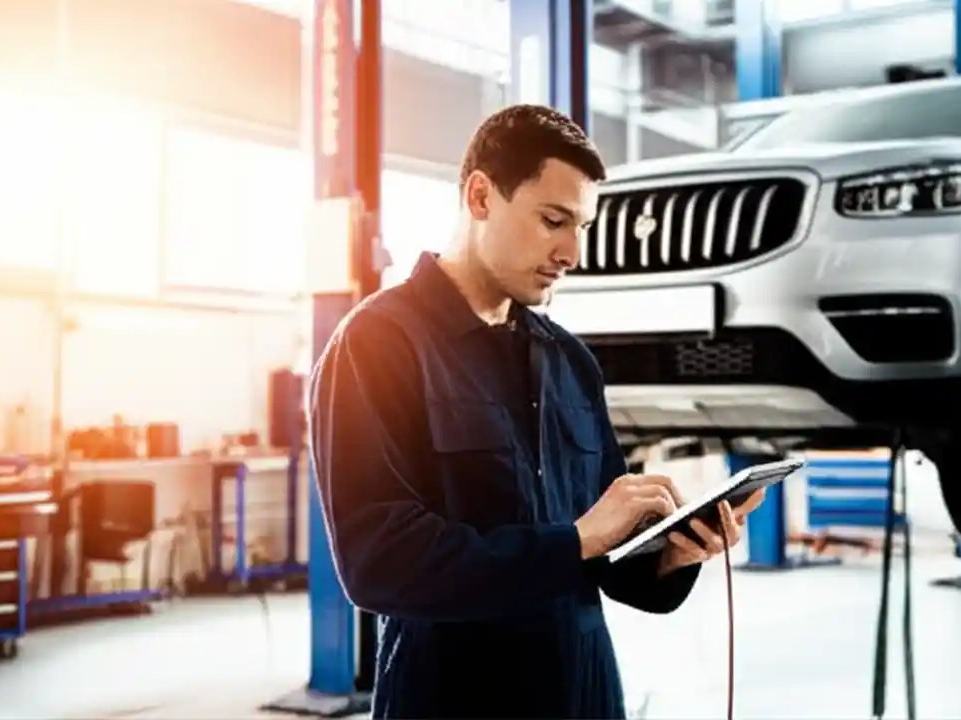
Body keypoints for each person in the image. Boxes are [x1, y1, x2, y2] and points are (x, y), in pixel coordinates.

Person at [308, 104, 767, 719]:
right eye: (553, 220)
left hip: (584, 693)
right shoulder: (378, 345)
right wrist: (573, 541)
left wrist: (672, 553)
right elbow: (378, 563)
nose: (572, 251)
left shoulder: (571, 362)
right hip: (453, 697)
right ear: (480, 197)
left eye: (582, 226)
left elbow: (606, 557)